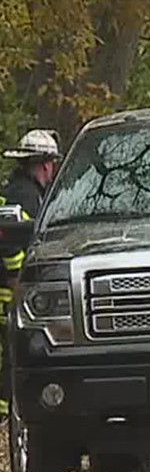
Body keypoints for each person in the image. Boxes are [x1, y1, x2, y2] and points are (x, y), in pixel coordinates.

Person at [1, 129, 61, 416]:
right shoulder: (22, 196)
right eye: (50, 164)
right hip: (8, 289)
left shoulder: (21, 191)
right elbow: (11, 242)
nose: (52, 172)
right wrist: (16, 283)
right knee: (10, 355)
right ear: (43, 163)